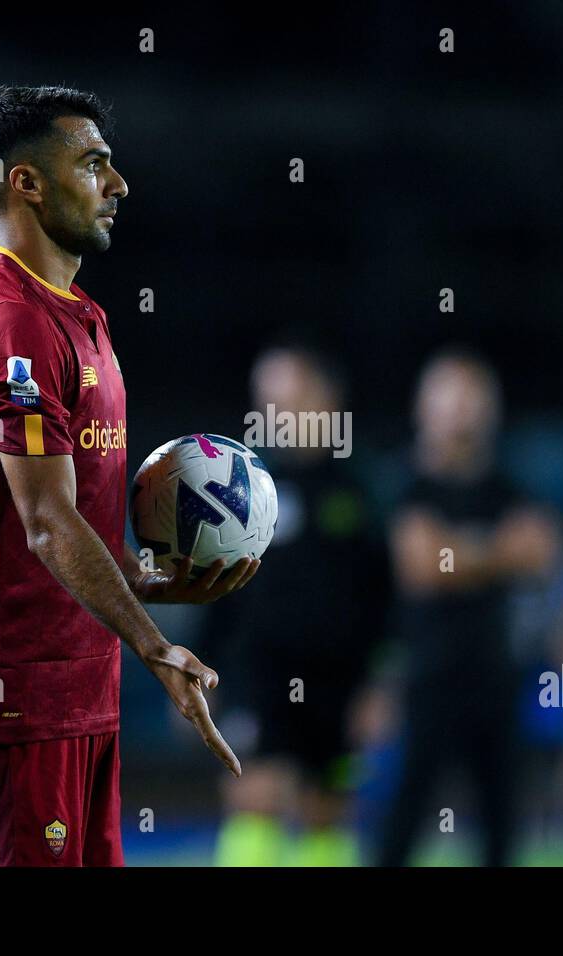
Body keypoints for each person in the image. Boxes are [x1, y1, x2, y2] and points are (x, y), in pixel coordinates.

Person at [0, 85, 258, 867]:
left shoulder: (80, 316)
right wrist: (156, 647)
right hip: (6, 700)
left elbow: (73, 533)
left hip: (76, 698)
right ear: (26, 183)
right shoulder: (7, 324)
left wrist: (153, 582)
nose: (119, 184)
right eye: (94, 163)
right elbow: (46, 524)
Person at [376, 348, 562, 867]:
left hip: (497, 676)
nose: (462, 409)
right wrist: (499, 552)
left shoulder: (510, 485)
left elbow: (542, 550)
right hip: (421, 677)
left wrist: (460, 551)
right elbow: (424, 567)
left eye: (473, 395)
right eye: (449, 394)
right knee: (400, 823)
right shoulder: (403, 483)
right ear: (423, 406)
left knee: (503, 827)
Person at [209, 344, 390, 866]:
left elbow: (385, 596)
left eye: (290, 395)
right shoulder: (237, 482)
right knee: (255, 796)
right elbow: (213, 588)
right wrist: (195, 667)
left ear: (326, 399)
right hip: (256, 674)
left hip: (338, 680)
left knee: (326, 810)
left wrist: (379, 683)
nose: (278, 410)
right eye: (268, 399)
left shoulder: (360, 490)